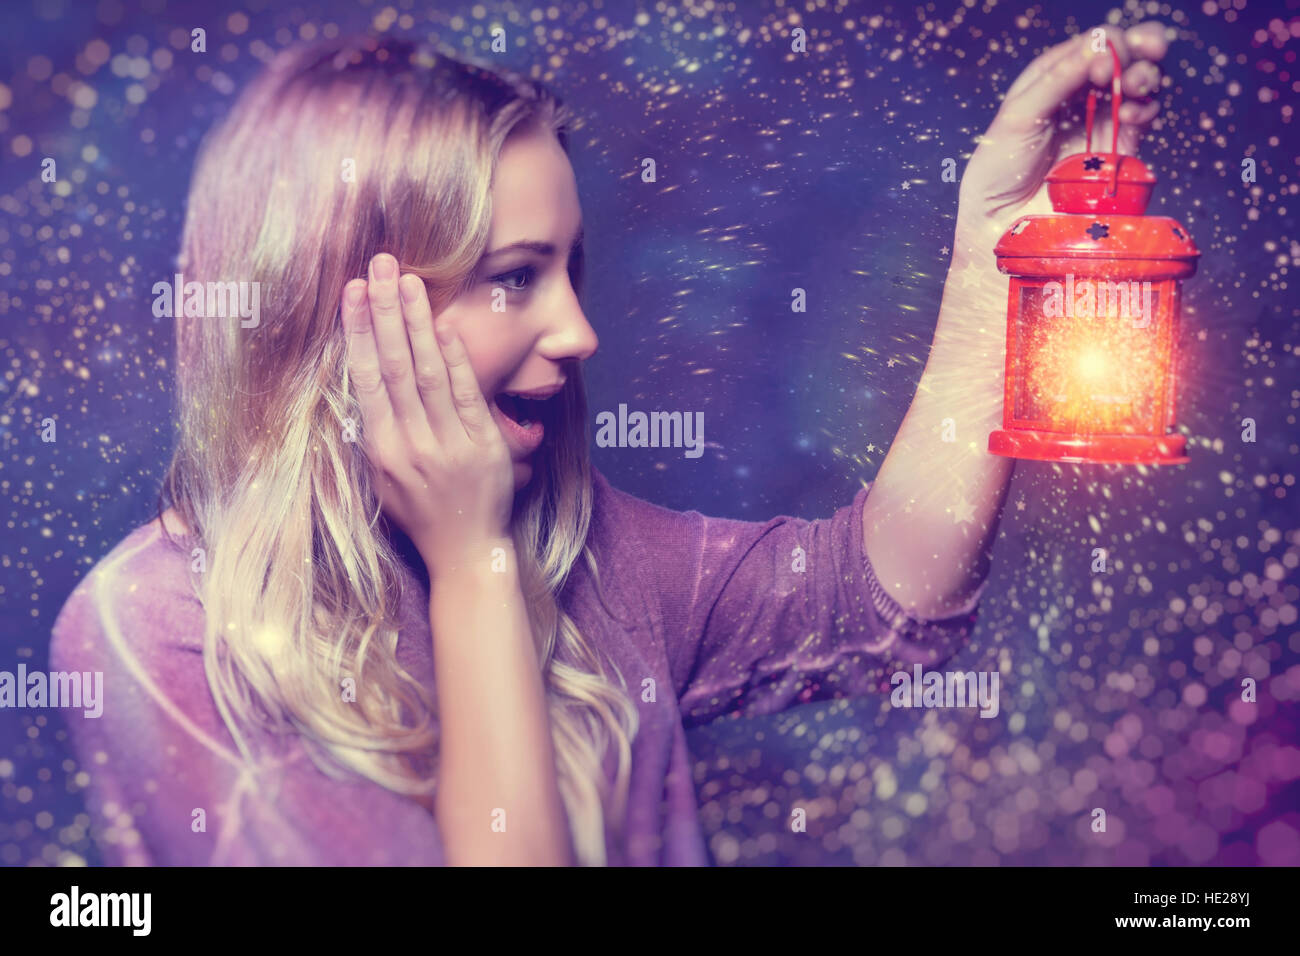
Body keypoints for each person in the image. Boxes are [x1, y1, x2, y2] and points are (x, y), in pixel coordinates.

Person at [50, 24, 1170, 866]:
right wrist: (476, 565)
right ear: (337, 303)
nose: (579, 332)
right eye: (510, 278)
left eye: (569, 271)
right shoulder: (154, 632)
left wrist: (992, 256)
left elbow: (881, 593)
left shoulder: (592, 554)